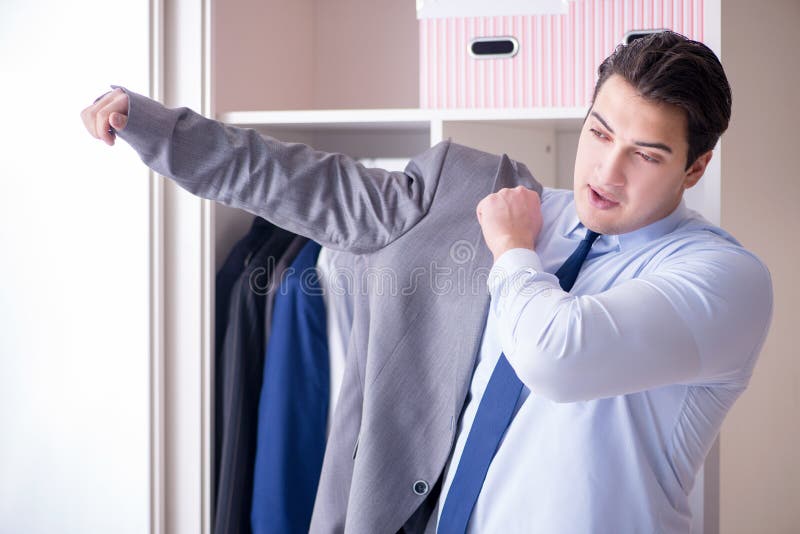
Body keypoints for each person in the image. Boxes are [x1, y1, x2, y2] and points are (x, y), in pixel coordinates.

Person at [82, 31, 772, 533]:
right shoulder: (499, 200)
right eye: (598, 132)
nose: (606, 171)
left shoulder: (722, 280)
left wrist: (513, 250)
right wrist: (156, 129)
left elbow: (557, 356)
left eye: (645, 155)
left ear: (695, 167)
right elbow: (310, 186)